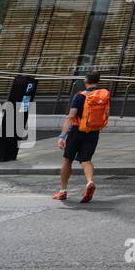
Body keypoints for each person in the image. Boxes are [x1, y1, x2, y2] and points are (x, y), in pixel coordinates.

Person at [52, 72, 107, 203]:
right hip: (93, 131)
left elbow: (71, 117)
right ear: (97, 81)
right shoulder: (103, 96)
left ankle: (63, 191)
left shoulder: (79, 96)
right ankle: (89, 182)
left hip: (76, 131)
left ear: (86, 81)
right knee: (86, 159)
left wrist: (62, 136)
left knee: (67, 160)